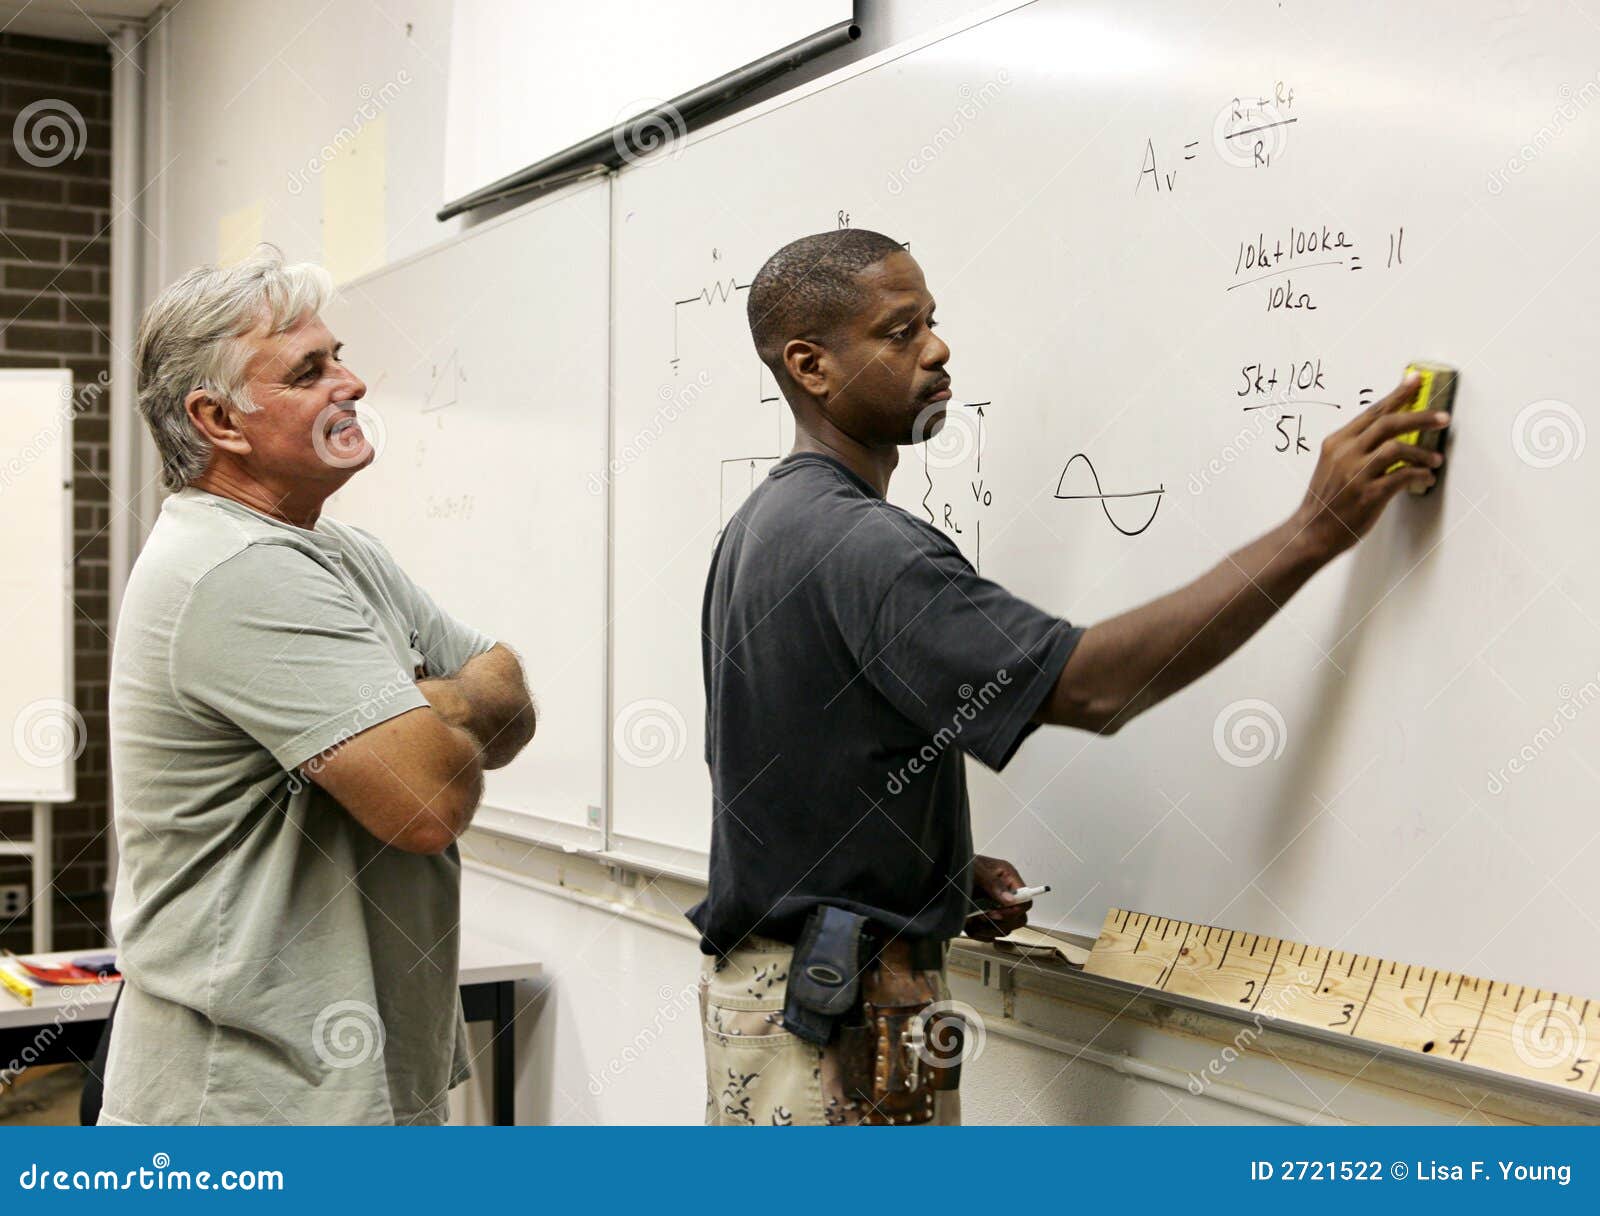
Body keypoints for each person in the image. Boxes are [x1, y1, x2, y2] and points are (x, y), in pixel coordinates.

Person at [692, 229, 1446, 1125]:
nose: (936, 349)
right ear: (811, 366)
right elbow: (1093, 687)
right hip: (837, 1016)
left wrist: (930, 868)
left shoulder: (762, 527)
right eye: (899, 333)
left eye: (932, 322)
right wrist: (1313, 530)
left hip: (787, 994)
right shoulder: (866, 547)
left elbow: (799, 759)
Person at [102, 246, 536, 1125]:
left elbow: (511, 699)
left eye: (337, 355)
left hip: (350, 1082)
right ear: (219, 419)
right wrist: (426, 699)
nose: (356, 383)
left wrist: (422, 703)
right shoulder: (238, 567)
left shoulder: (338, 548)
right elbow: (431, 800)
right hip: (248, 1105)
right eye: (311, 370)